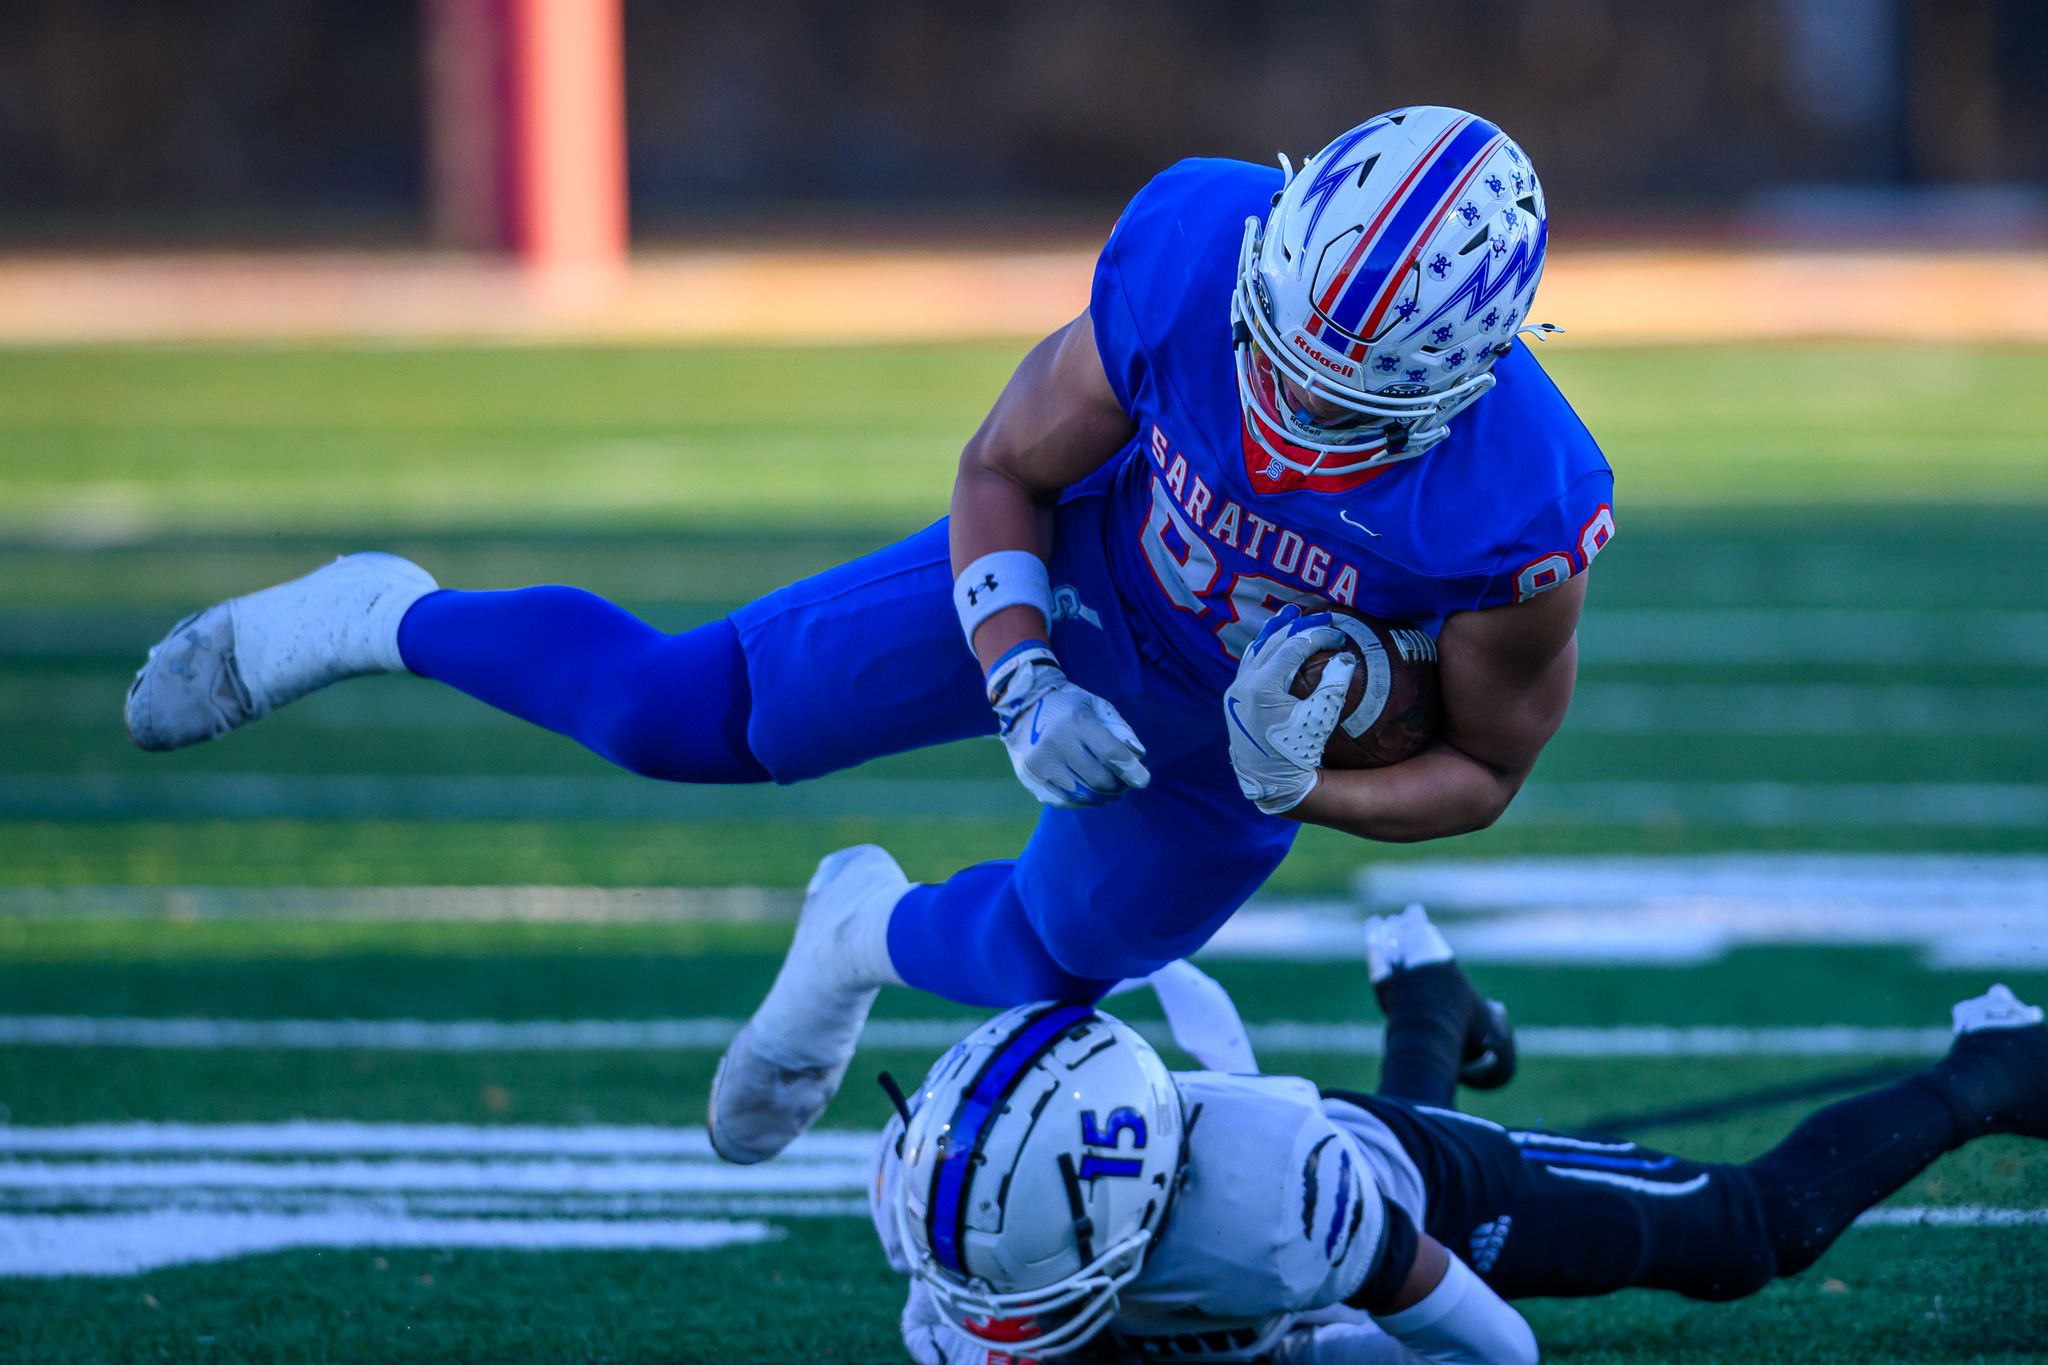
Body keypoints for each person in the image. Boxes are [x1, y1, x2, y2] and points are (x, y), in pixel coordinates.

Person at [123, 107, 1611, 1165]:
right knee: (674, 716)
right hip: (1085, 568)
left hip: (1235, 746)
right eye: (1268, 351)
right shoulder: (1193, 255)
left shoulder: (1521, 513)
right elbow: (1003, 469)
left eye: (1337, 403)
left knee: (1045, 971)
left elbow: (1482, 773)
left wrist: (1306, 784)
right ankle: (383, 611)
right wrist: (1021, 672)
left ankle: (856, 938)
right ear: (1267, 254)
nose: (1282, 413)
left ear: (1466, 384)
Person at [872, 908, 2048, 1364]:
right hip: (1277, 1235)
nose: (996, 1325)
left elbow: (1494, 1354)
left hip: (1409, 1186)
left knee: (1747, 1234)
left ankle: (1994, 1062)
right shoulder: (962, 1197)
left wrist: (1325, 1348)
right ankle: (1427, 998)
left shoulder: (1285, 1213)